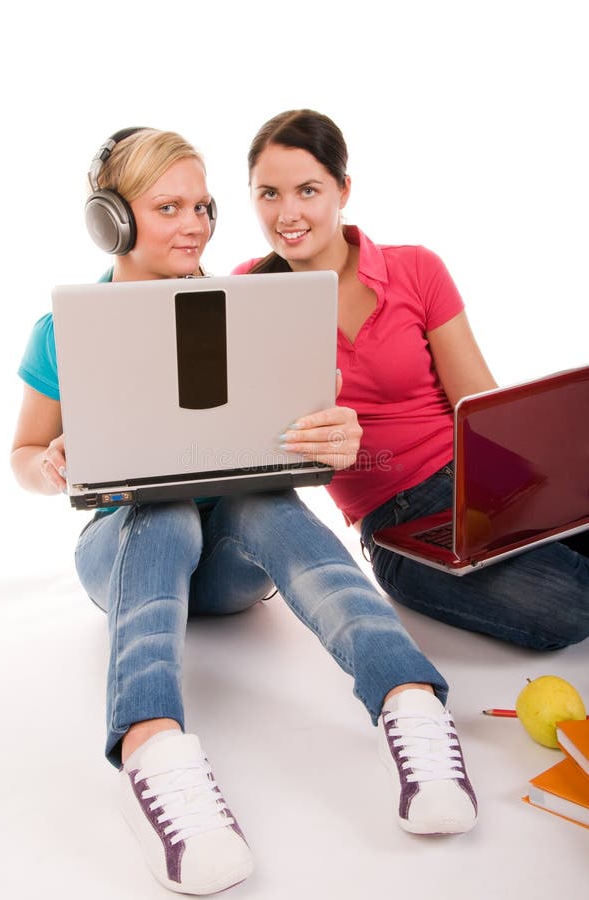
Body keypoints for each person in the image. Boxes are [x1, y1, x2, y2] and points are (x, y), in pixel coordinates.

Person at [11, 127, 477, 899]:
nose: (194, 224)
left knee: (263, 495)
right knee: (163, 512)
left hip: (230, 568)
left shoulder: (248, 309)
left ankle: (411, 705)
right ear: (112, 219)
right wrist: (51, 462)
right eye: (168, 206)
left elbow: (303, 434)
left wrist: (338, 434)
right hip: (125, 550)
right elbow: (24, 456)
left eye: (203, 205)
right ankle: (152, 752)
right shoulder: (64, 331)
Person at [234, 108, 589, 679]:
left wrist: (538, 487)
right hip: (398, 524)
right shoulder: (249, 294)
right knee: (568, 608)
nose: (288, 213)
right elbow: (248, 439)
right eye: (269, 194)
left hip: (482, 482)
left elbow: (477, 400)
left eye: (307, 190)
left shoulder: (416, 269)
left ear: (343, 189)